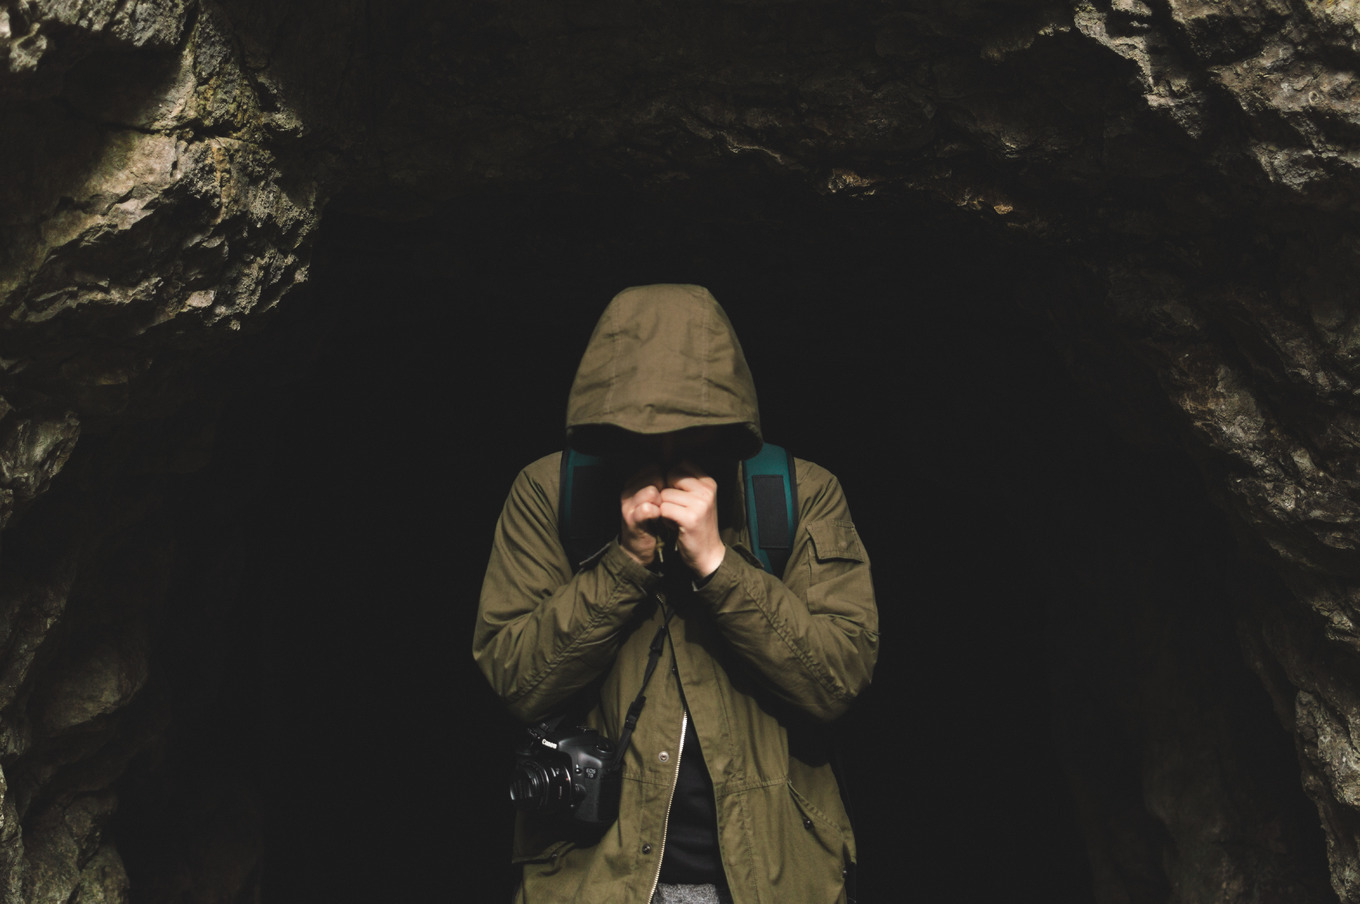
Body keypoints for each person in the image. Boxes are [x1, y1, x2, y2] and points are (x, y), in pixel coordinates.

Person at [474, 284, 878, 904]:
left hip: (776, 879)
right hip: (593, 881)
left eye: (695, 438)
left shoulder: (799, 495)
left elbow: (838, 680)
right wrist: (624, 563)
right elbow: (518, 682)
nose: (666, 458)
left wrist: (719, 565)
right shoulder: (547, 493)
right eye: (637, 439)